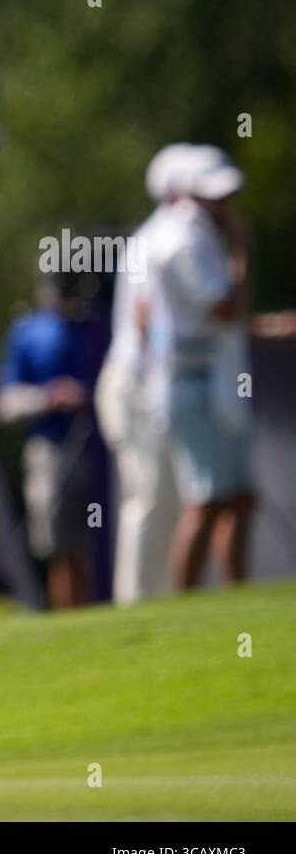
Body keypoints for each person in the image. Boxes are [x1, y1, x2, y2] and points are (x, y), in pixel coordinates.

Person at [144, 147, 255, 590]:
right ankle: (187, 601)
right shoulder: (180, 241)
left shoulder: (196, 237)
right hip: (193, 383)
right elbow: (225, 308)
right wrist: (243, 252)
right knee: (206, 500)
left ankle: (235, 595)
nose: (225, 206)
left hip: (211, 379)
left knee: (241, 498)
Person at [95, 144, 191, 605]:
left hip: (147, 384)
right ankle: (135, 602)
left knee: (168, 496)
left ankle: (160, 597)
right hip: (135, 385)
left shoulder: (166, 239)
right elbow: (146, 322)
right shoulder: (160, 241)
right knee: (149, 496)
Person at [0, 267, 101, 609]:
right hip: (50, 449)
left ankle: (91, 615)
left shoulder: (95, 327)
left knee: (88, 545)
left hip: (96, 449)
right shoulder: (27, 331)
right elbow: (6, 403)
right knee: (59, 547)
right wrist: (48, 398)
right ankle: (67, 618)